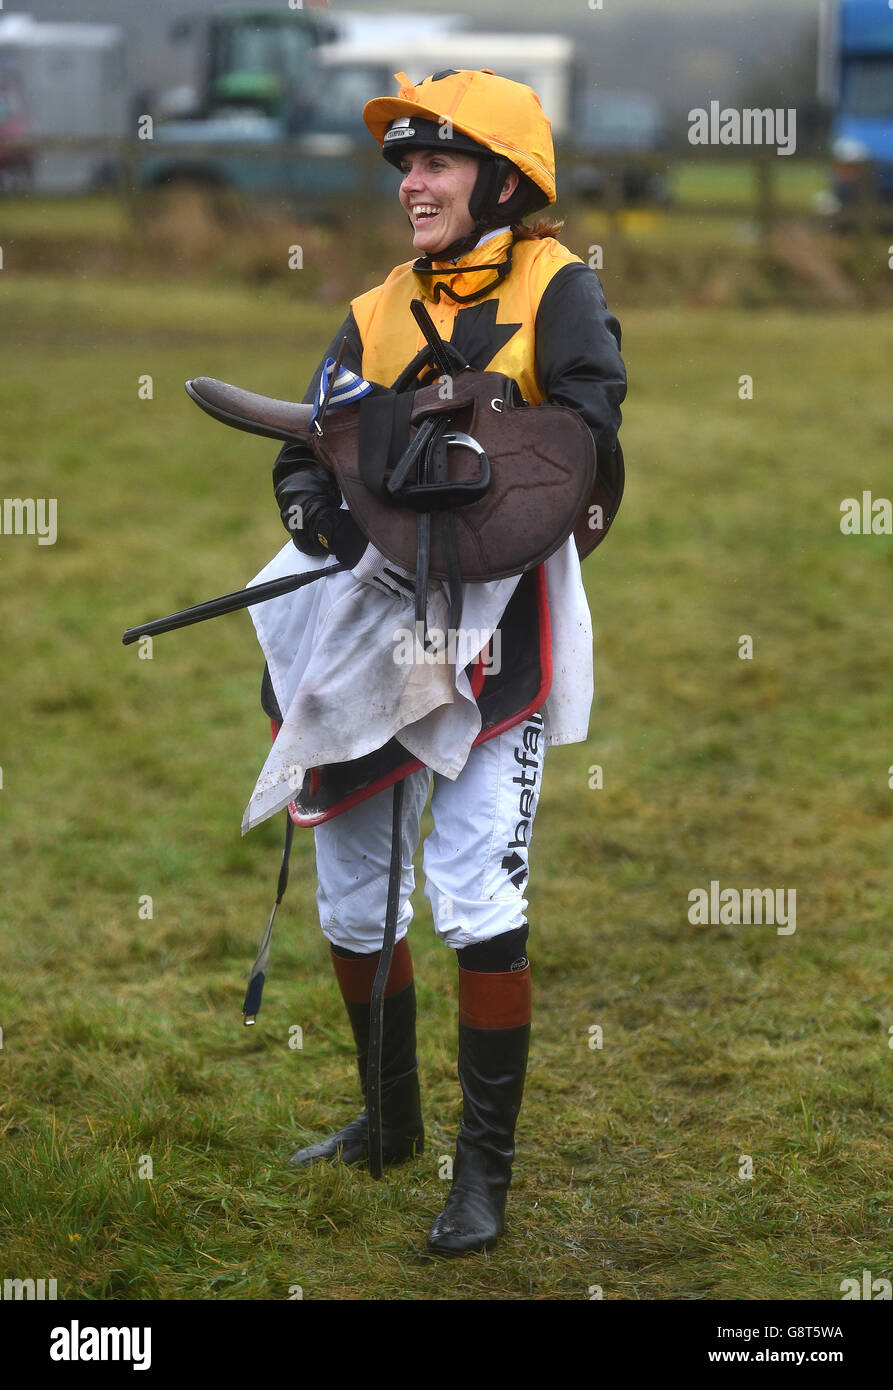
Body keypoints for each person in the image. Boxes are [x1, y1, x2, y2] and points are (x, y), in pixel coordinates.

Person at [256, 67, 627, 1256]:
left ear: (503, 179)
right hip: (370, 615)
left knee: (477, 896)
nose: (412, 182)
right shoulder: (370, 308)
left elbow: (588, 433)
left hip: (500, 628)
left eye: (438, 162)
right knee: (353, 888)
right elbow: (310, 448)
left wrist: (463, 436)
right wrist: (315, 507)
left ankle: (482, 1176)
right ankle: (388, 1121)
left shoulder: (558, 286)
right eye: (404, 165)